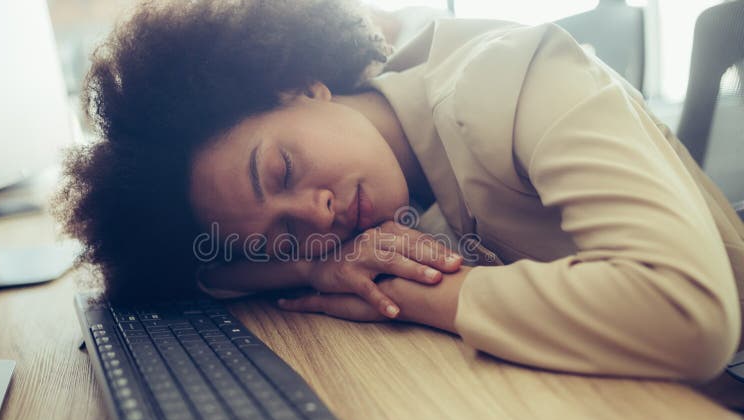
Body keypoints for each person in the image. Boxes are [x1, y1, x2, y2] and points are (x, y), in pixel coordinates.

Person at [55, 0, 744, 387]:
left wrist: (416, 295)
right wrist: (311, 266)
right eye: (284, 234)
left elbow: (690, 317)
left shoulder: (511, 79)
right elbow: (208, 274)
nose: (315, 215)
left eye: (282, 172)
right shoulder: (361, 204)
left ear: (297, 85)